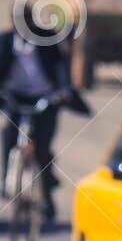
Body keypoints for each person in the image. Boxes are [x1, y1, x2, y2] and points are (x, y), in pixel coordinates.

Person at [0, 19, 88, 224]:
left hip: (46, 98)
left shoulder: (47, 40)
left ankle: (46, 195)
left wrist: (63, 91)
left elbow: (61, 67)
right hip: (15, 97)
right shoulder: (6, 41)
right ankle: (7, 180)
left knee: (41, 148)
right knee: (9, 137)